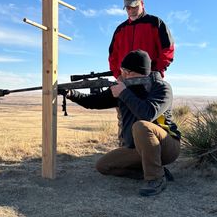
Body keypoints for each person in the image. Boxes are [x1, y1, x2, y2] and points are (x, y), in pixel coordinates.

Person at [64, 50, 181, 197]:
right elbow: (94, 101)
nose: (122, 74)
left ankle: (156, 178)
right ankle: (151, 170)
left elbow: (148, 114)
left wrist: (124, 93)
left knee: (142, 126)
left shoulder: (161, 87)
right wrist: (71, 94)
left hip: (166, 147)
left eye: (124, 71)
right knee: (103, 166)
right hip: (137, 150)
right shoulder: (124, 87)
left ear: (131, 72)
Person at [109, 0, 175, 145]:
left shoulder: (155, 23)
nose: (131, 10)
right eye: (128, 8)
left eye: (134, 6)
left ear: (142, 4)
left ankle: (154, 158)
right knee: (124, 121)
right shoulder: (120, 29)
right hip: (126, 84)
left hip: (149, 85)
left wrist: (155, 71)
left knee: (150, 122)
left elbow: (168, 50)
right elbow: (113, 56)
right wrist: (118, 76)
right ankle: (126, 157)